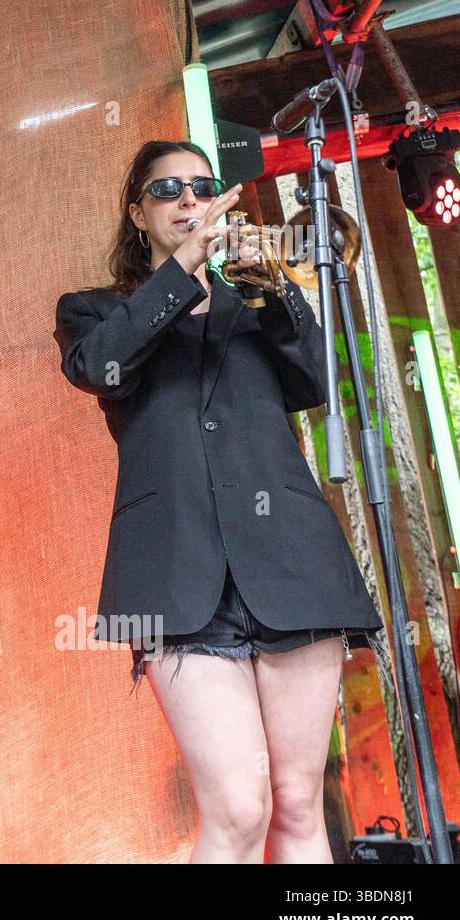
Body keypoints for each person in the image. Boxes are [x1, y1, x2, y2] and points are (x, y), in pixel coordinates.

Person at [53, 140, 386, 864]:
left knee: (300, 805)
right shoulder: (95, 310)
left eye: (202, 186)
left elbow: (313, 381)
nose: (188, 199)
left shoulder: (254, 297)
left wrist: (274, 285)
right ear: (138, 211)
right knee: (239, 807)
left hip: (292, 564)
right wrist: (182, 271)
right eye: (167, 188)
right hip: (178, 576)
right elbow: (100, 367)